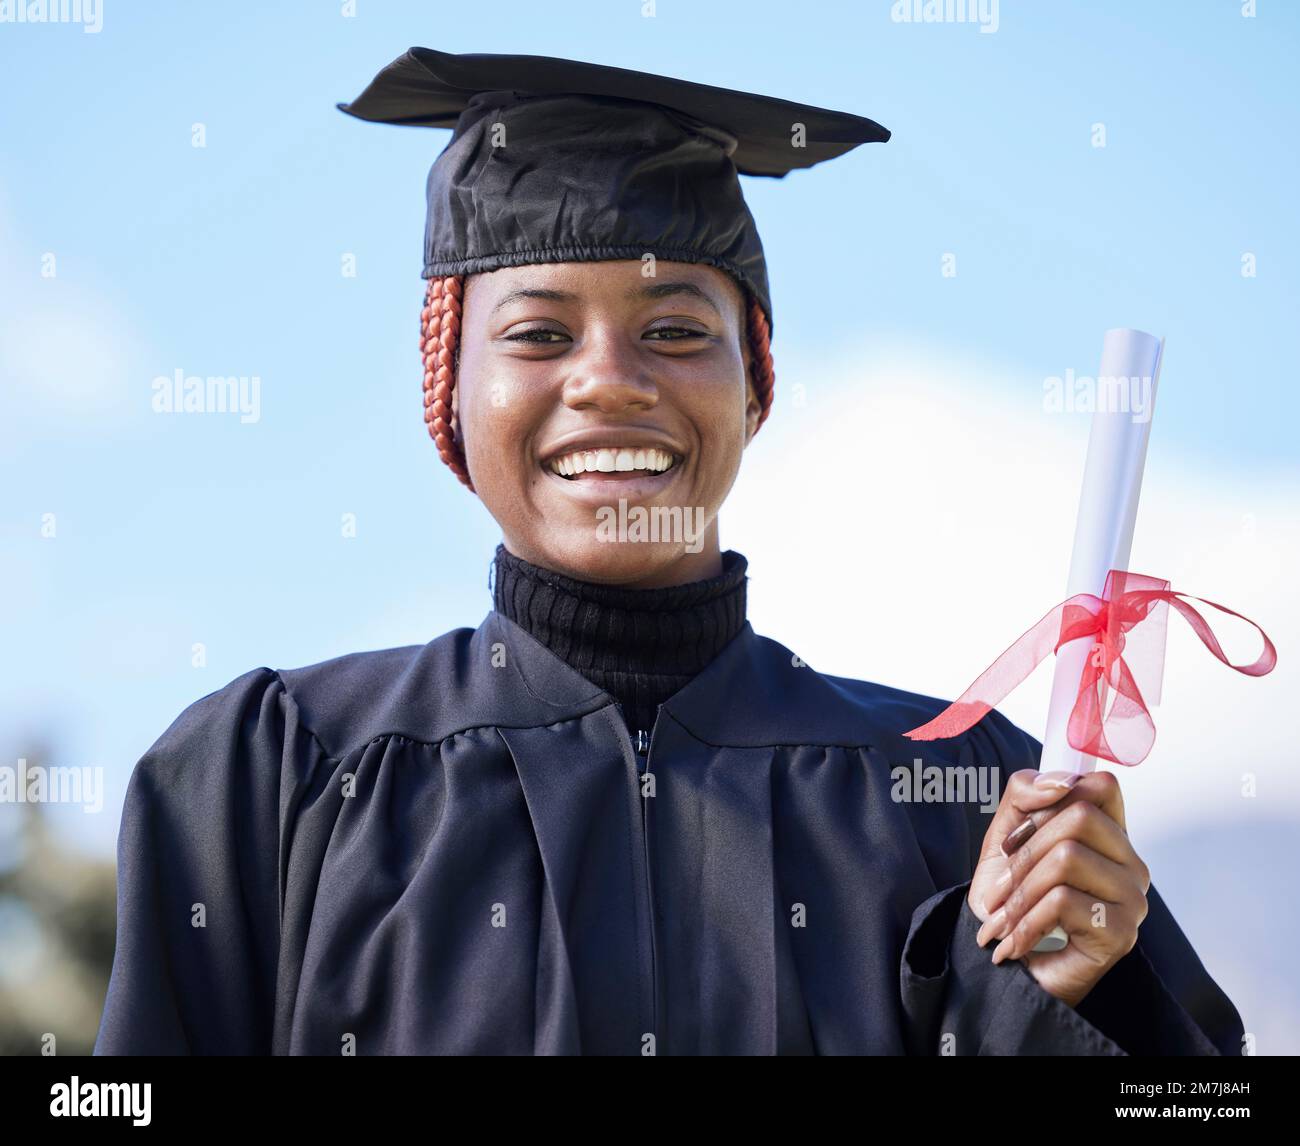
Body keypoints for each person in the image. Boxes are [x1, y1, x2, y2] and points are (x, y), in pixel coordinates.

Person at [93, 47, 1245, 1056]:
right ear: (448, 392)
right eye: (539, 333)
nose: (609, 379)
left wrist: (1066, 999)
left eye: (677, 331)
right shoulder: (275, 774)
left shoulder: (968, 792)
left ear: (754, 387)